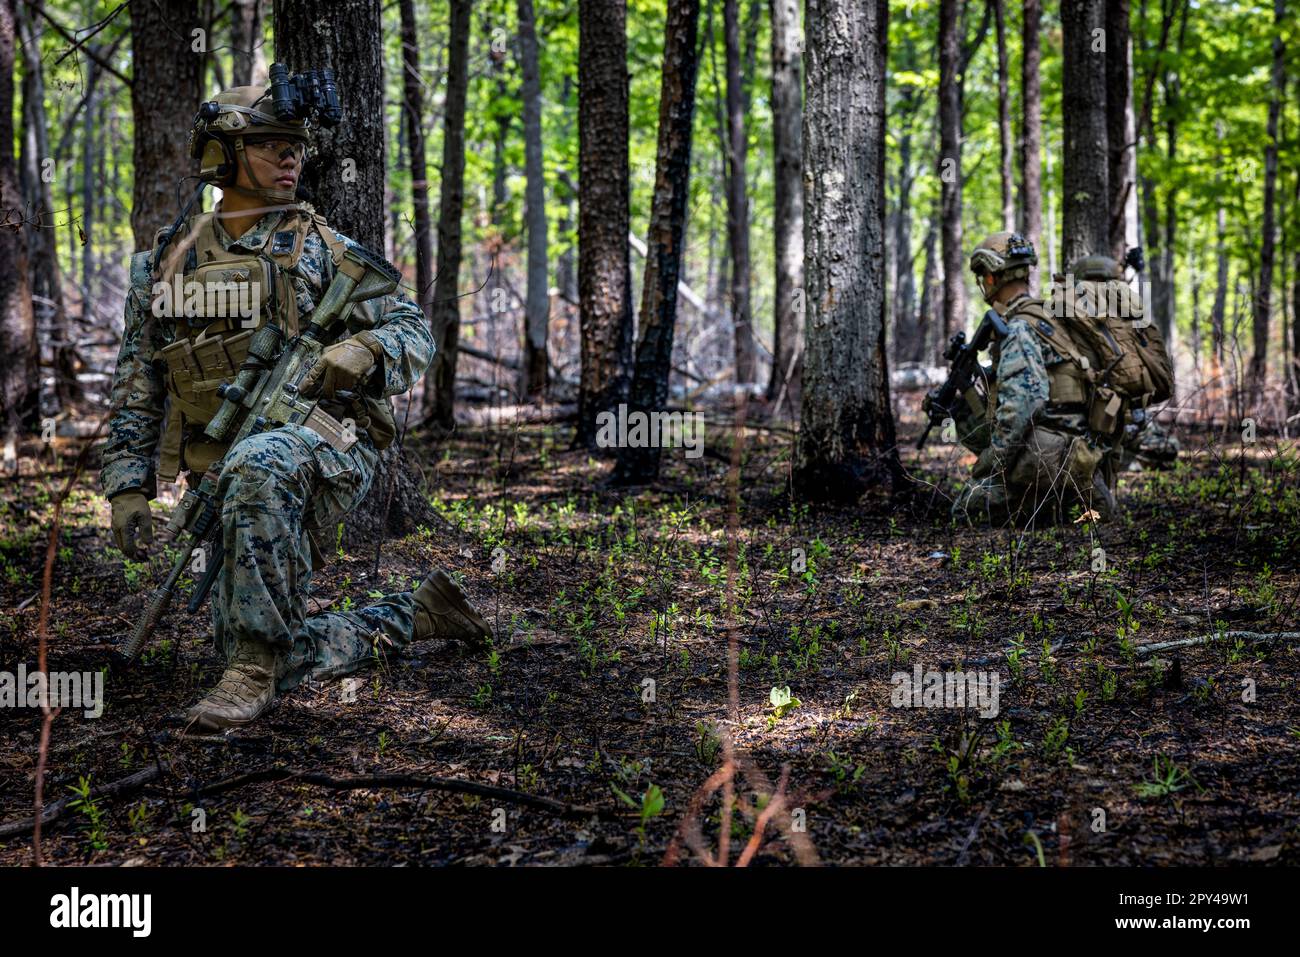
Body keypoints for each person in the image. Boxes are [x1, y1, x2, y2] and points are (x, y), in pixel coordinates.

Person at [102, 81, 490, 732]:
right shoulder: (164, 265)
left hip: (327, 441)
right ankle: (414, 614)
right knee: (266, 637)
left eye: (296, 149)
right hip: (223, 466)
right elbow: (138, 381)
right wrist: (125, 486)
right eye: (270, 146)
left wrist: (365, 350)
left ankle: (253, 673)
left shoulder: (317, 246)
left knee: (260, 465)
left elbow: (414, 331)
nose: (291, 160)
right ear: (222, 155)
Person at [950, 232, 1114, 526]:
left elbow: (1023, 406)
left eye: (984, 275)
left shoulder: (1018, 329)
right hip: (1078, 456)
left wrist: (988, 466)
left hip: (1048, 461)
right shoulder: (1049, 318)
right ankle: (1070, 501)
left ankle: (1049, 505)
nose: (983, 283)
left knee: (967, 509)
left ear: (992, 277)